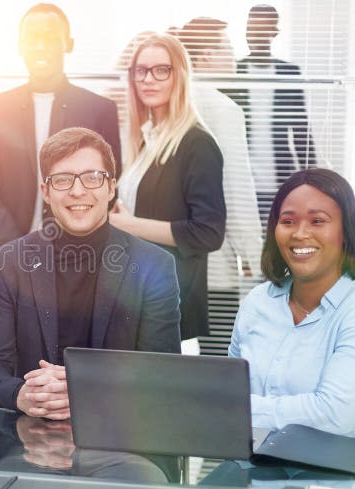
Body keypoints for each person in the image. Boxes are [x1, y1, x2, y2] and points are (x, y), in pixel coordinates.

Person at [0, 127, 180, 420]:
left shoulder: (154, 266)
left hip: (122, 434)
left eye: (92, 177)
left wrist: (83, 387)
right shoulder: (7, 264)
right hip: (28, 432)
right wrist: (20, 394)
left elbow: (162, 373)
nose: (77, 190)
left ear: (111, 188)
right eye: (62, 180)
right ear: (45, 192)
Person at [230, 168, 355, 436]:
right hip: (258, 466)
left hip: (346, 473)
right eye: (288, 221)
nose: (300, 234)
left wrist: (237, 408)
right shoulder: (257, 303)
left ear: (346, 232)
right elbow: (228, 391)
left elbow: (333, 416)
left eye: (317, 221)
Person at [0, 3, 121, 256]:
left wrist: (69, 241)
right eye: (32, 38)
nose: (41, 46)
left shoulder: (100, 109)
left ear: (68, 43)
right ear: (20, 46)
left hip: (77, 259)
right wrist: (21, 249)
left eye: (50, 37)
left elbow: (106, 187)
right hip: (10, 257)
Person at [112, 33, 226, 349]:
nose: (149, 79)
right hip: (140, 297)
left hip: (174, 307)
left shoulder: (196, 144)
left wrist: (127, 224)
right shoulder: (147, 139)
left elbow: (208, 233)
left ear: (180, 75)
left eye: (162, 70)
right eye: (141, 70)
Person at [178, 18, 262, 354]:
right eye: (227, 48)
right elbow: (235, 189)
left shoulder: (164, 105)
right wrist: (258, 259)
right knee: (220, 362)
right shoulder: (223, 109)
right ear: (205, 56)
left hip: (164, 263)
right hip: (214, 263)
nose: (234, 57)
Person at [233, 4, 317, 221]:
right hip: (241, 183)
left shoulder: (289, 73)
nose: (254, 35)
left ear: (274, 32)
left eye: (261, 29)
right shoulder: (234, 72)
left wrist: (314, 179)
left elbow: (300, 128)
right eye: (251, 29)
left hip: (278, 180)